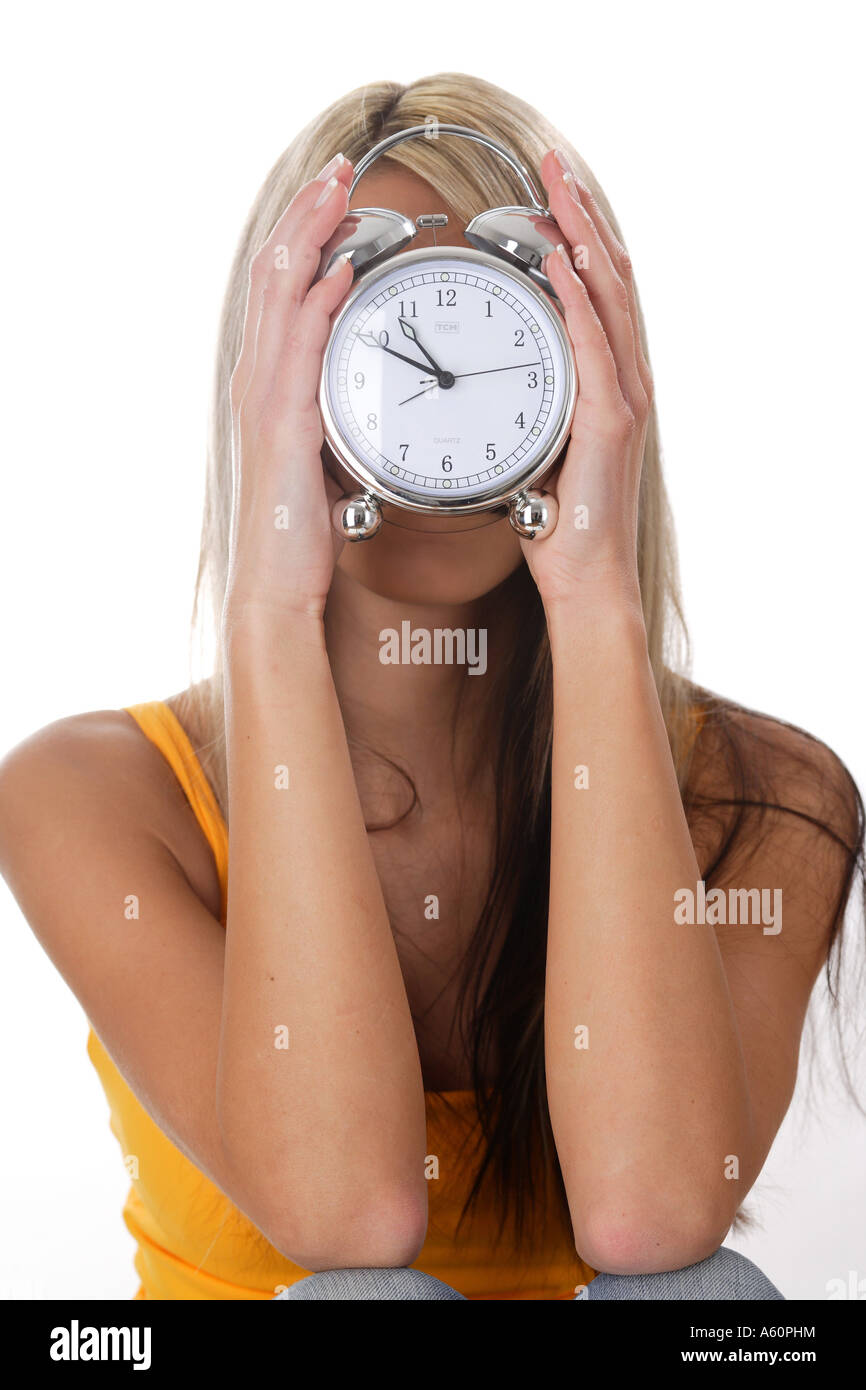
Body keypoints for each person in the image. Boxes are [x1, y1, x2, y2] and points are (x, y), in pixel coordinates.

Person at [0, 73, 861, 1302]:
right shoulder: (84, 794)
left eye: (508, 342)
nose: (430, 433)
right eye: (381, 340)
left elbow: (653, 1212)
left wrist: (598, 605)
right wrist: (270, 611)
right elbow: (348, 1217)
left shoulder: (769, 791)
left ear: (596, 376)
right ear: (271, 380)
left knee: (698, 1297)